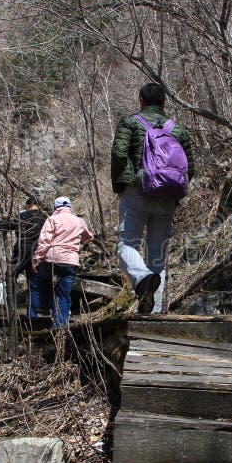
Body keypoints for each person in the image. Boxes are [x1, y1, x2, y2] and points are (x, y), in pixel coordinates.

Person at [110, 83, 194, 314]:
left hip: (137, 191)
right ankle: (154, 312)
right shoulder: (178, 130)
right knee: (157, 252)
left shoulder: (130, 122)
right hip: (167, 198)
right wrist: (173, 190)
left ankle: (143, 278)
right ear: (165, 103)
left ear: (141, 101)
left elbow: (119, 153)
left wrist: (123, 183)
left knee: (126, 244)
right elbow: (190, 167)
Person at [32, 197, 93, 328]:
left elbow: (44, 241)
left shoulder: (52, 220)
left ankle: (43, 307)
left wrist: (36, 260)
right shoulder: (79, 221)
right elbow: (88, 238)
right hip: (70, 261)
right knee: (63, 295)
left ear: (56, 207)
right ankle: (59, 327)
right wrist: (80, 240)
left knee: (42, 280)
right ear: (70, 207)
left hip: (51, 258)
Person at [0, 196, 47, 317]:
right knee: (34, 282)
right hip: (38, 252)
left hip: (21, 250)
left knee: (11, 275)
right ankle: (32, 314)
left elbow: (8, 225)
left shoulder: (23, 216)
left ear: (28, 206)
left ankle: (11, 308)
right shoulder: (45, 218)